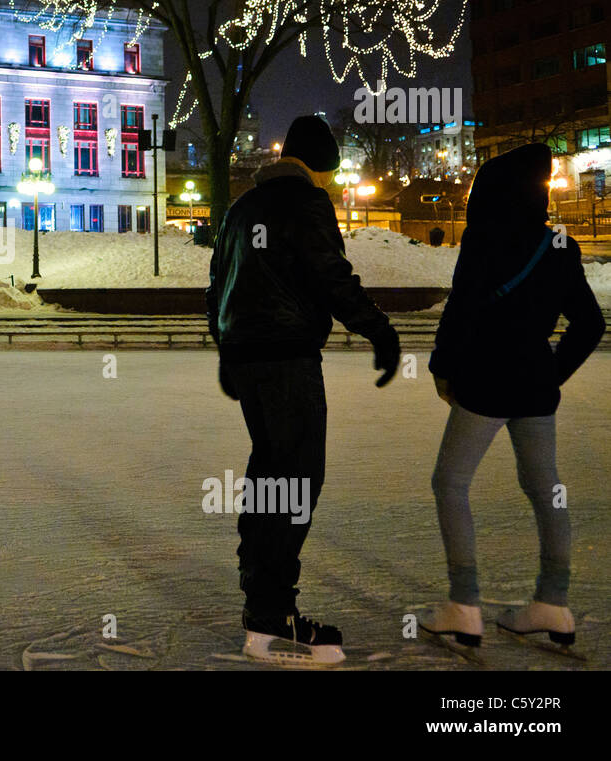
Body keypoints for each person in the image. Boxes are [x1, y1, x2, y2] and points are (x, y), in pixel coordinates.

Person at [206, 114, 401, 666]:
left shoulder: (242, 208)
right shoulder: (307, 203)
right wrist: (381, 332)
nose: (332, 185)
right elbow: (331, 277)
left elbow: (216, 283)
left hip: (249, 360)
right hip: (287, 359)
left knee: (270, 471)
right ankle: (272, 617)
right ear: (317, 167)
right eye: (330, 175)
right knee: (295, 479)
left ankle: (261, 603)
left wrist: (227, 349)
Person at [422, 144, 604, 653]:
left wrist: (442, 369)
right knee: (546, 488)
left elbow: (461, 312)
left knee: (451, 482)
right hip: (535, 386)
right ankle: (553, 599)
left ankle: (464, 604)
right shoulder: (560, 245)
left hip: (485, 380)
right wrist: (552, 370)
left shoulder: (483, 238)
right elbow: (590, 324)